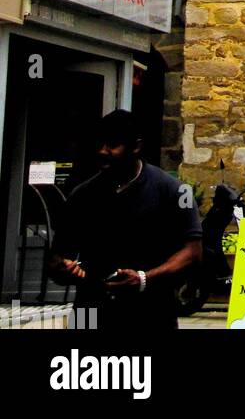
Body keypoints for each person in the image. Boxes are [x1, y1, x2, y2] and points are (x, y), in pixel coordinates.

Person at [49, 110, 202, 331]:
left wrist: (144, 279)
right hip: (90, 313)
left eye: (112, 145)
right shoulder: (82, 196)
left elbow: (193, 253)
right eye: (99, 144)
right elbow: (57, 256)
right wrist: (63, 268)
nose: (103, 151)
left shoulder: (173, 191)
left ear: (136, 147)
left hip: (152, 313)